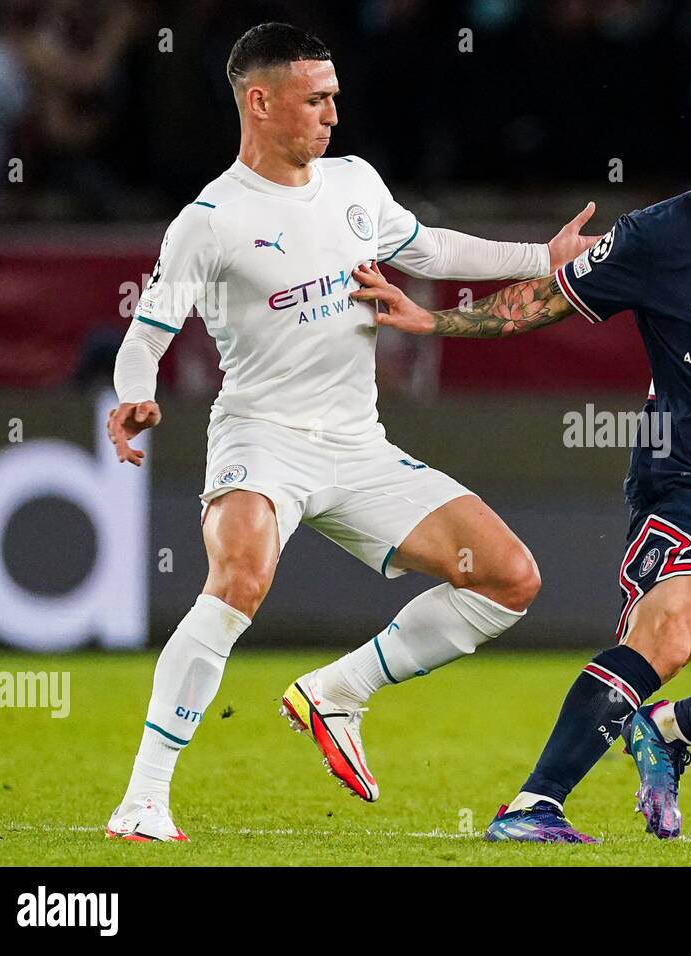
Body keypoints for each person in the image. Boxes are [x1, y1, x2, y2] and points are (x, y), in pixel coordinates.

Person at [348, 68, 691, 843]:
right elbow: (543, 299)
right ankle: (533, 805)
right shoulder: (659, 236)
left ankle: (667, 731)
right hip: (686, 482)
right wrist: (433, 325)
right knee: (673, 632)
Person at [103, 22, 595, 842]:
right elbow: (146, 334)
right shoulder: (211, 220)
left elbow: (431, 250)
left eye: (336, 96)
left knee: (510, 577)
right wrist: (134, 396)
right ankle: (144, 801)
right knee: (240, 580)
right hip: (261, 440)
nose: (334, 113)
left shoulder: (354, 184)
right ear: (260, 102)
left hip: (359, 446)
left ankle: (338, 692)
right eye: (316, 98)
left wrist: (541, 258)